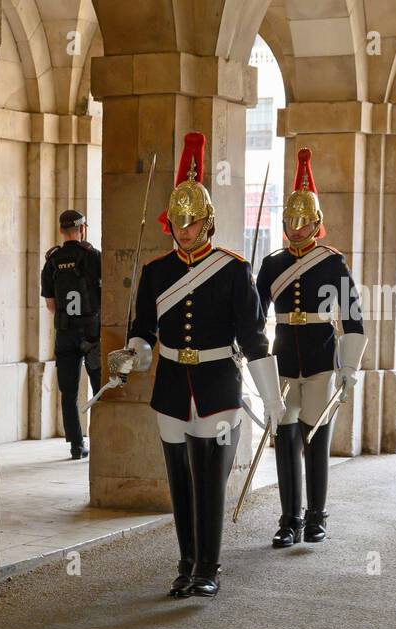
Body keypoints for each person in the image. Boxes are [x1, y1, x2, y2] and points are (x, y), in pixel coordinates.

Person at [117, 132, 281, 598]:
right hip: (171, 385)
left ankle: (209, 566)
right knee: (179, 482)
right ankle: (186, 562)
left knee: (209, 479)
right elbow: (143, 327)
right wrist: (135, 352)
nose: (183, 231)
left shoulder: (232, 270)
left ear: (207, 222)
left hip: (216, 386)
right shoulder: (155, 272)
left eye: (191, 224)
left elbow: (253, 338)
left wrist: (270, 399)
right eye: (178, 223)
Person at [255, 148, 367, 546]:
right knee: (285, 441)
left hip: (321, 358)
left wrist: (349, 366)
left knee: (316, 440)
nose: (296, 227)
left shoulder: (332, 263)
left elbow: (353, 318)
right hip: (283, 358)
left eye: (303, 221)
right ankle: (289, 519)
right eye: (290, 220)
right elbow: (253, 316)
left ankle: (317, 516)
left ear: (316, 223)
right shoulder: (271, 265)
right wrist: (244, 350)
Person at [41, 209, 103, 459]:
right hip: (91, 332)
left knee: (68, 392)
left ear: (60, 230)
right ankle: (101, 441)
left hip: (65, 332)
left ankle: (76, 445)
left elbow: (50, 304)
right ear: (82, 229)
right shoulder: (93, 256)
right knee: (100, 389)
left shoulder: (52, 261)